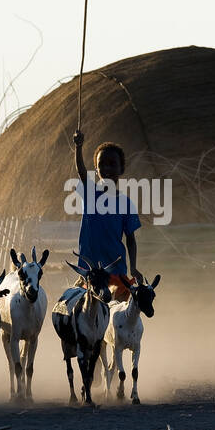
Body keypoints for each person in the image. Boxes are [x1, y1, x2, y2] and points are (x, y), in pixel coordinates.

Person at [71, 129, 141, 301]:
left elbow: (130, 239)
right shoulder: (90, 192)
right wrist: (79, 147)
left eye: (112, 164)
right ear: (96, 169)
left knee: (119, 318)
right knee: (77, 314)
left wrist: (134, 268)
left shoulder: (125, 203)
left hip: (116, 273)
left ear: (121, 168)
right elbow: (81, 170)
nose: (107, 168)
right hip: (89, 272)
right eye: (102, 164)